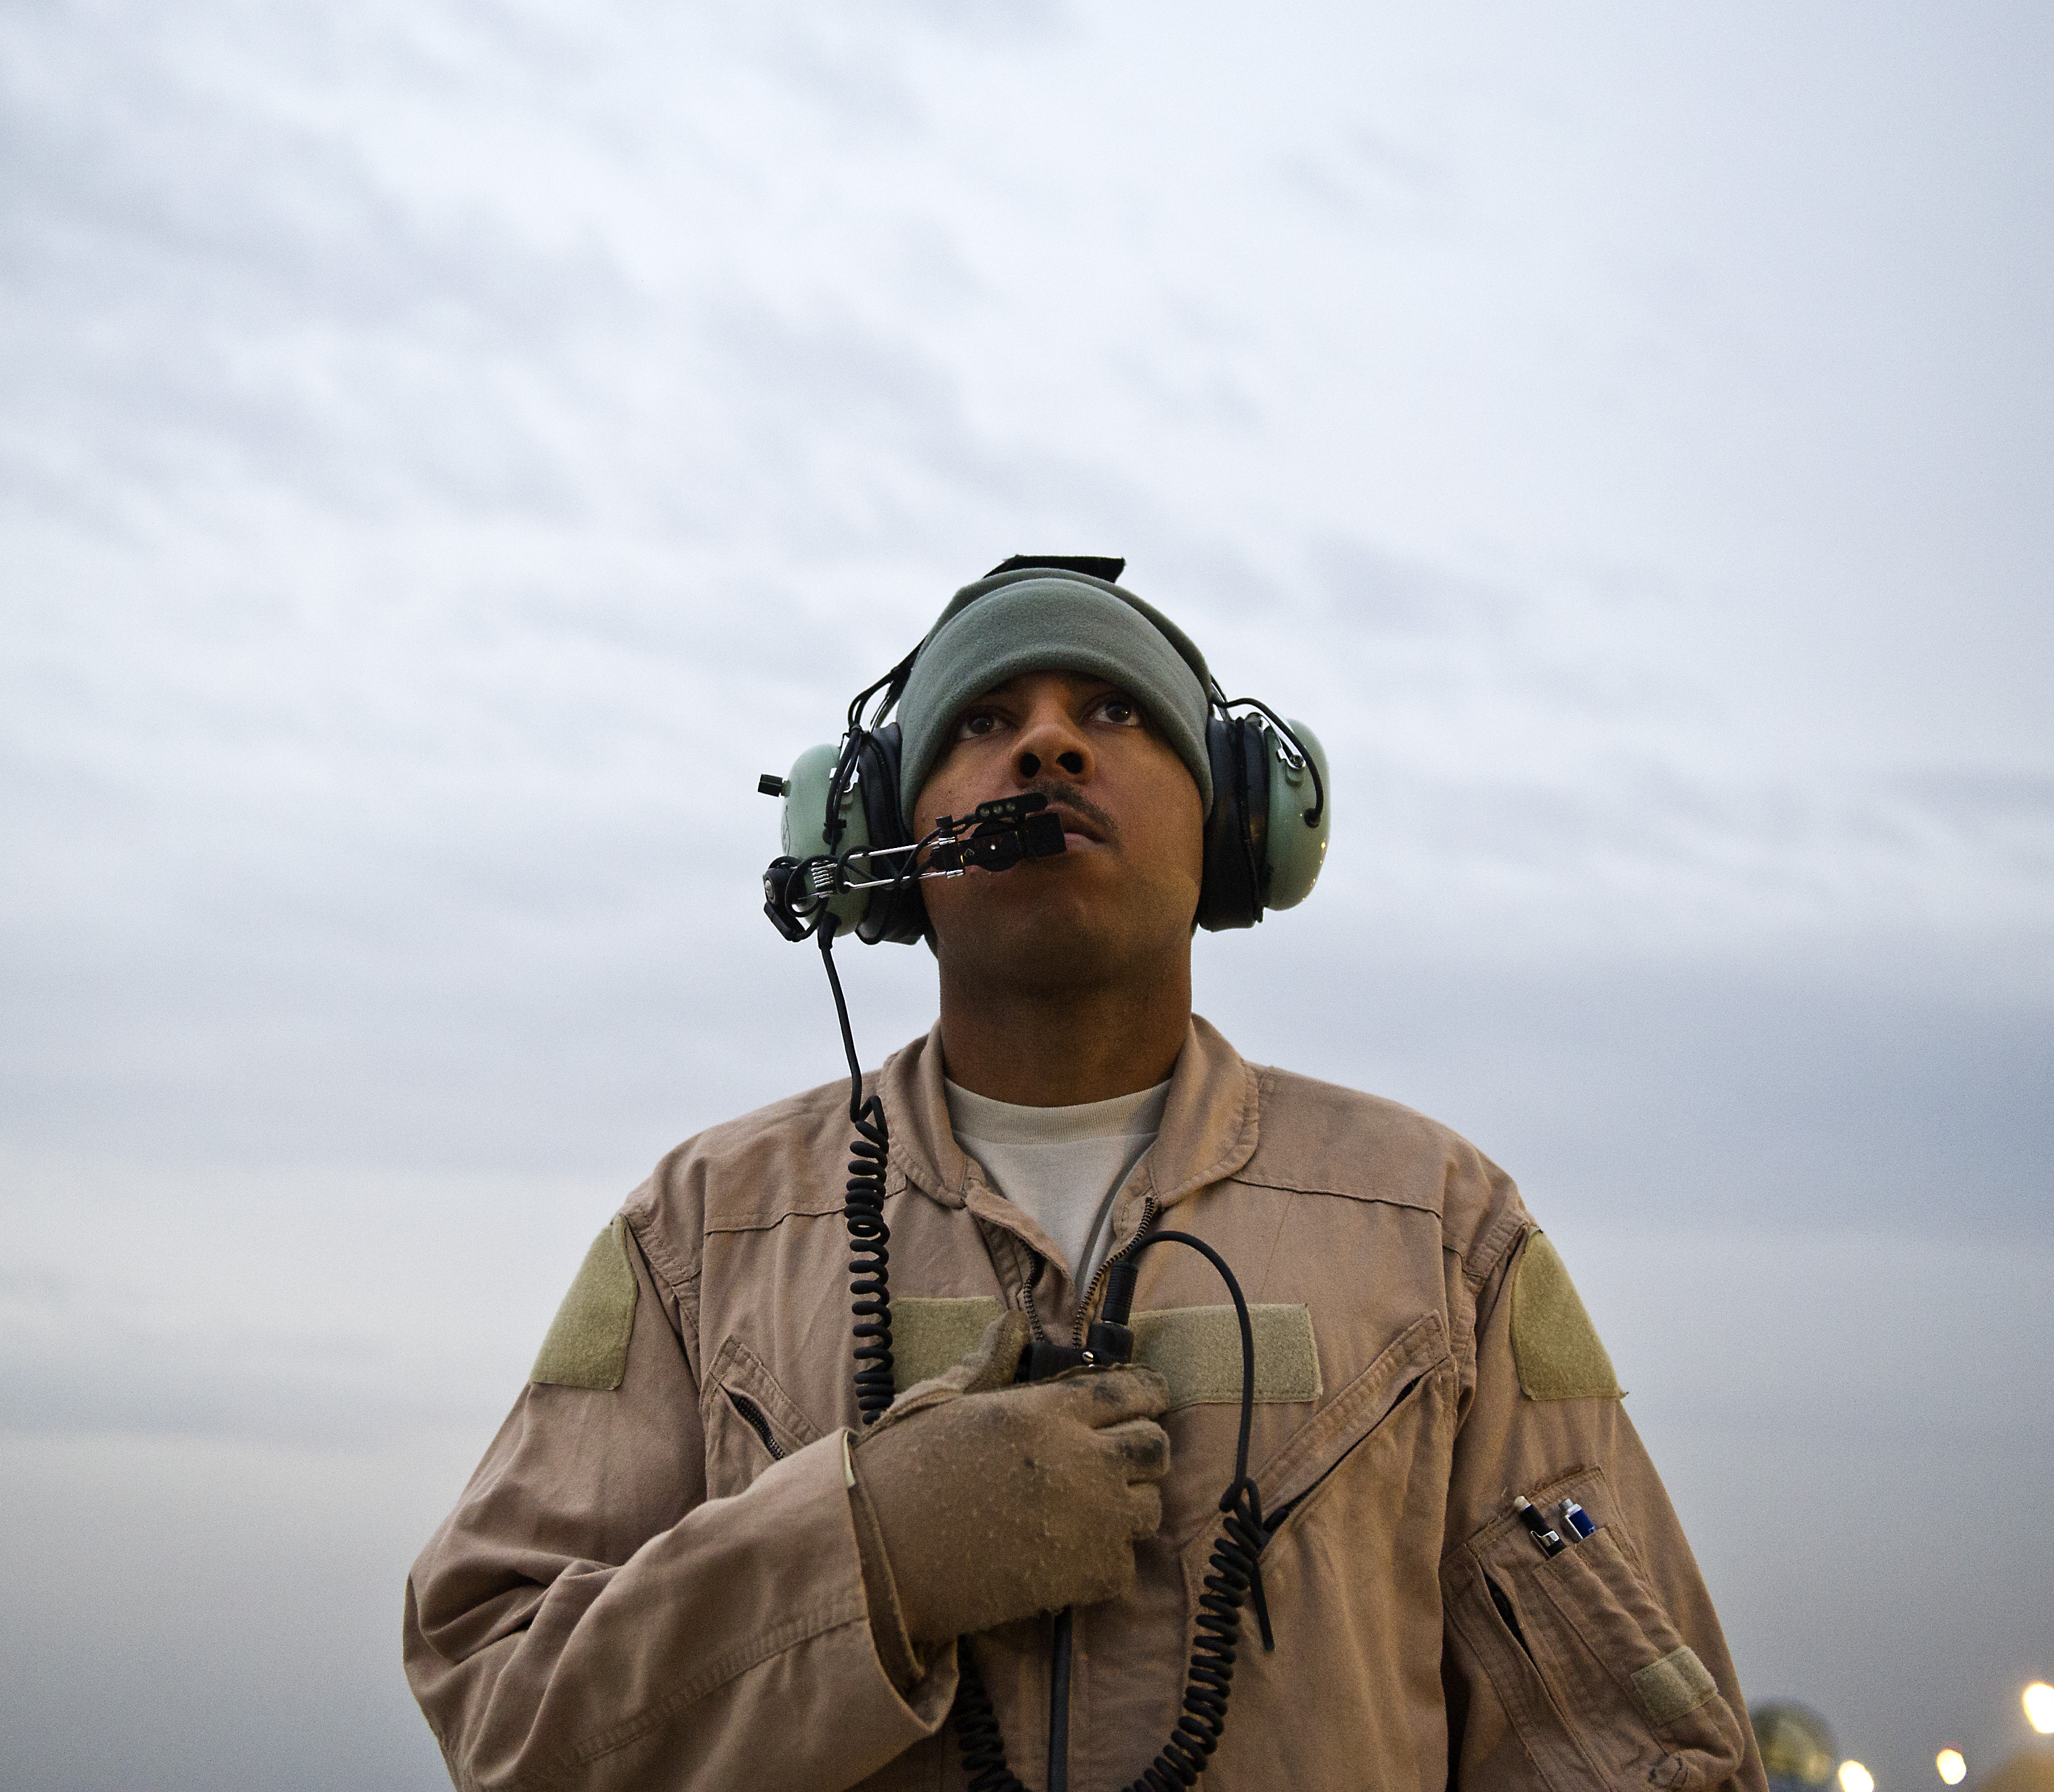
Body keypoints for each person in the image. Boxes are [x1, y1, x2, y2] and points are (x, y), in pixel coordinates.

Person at [403, 561, 1766, 1792]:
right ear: (880, 835)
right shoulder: (702, 1233)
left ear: (1235, 828)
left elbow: (1642, 1752)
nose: (1046, 741)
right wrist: (863, 1559)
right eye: (983, 723)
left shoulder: (1439, 1229)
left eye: (1113, 715)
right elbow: (504, 1711)